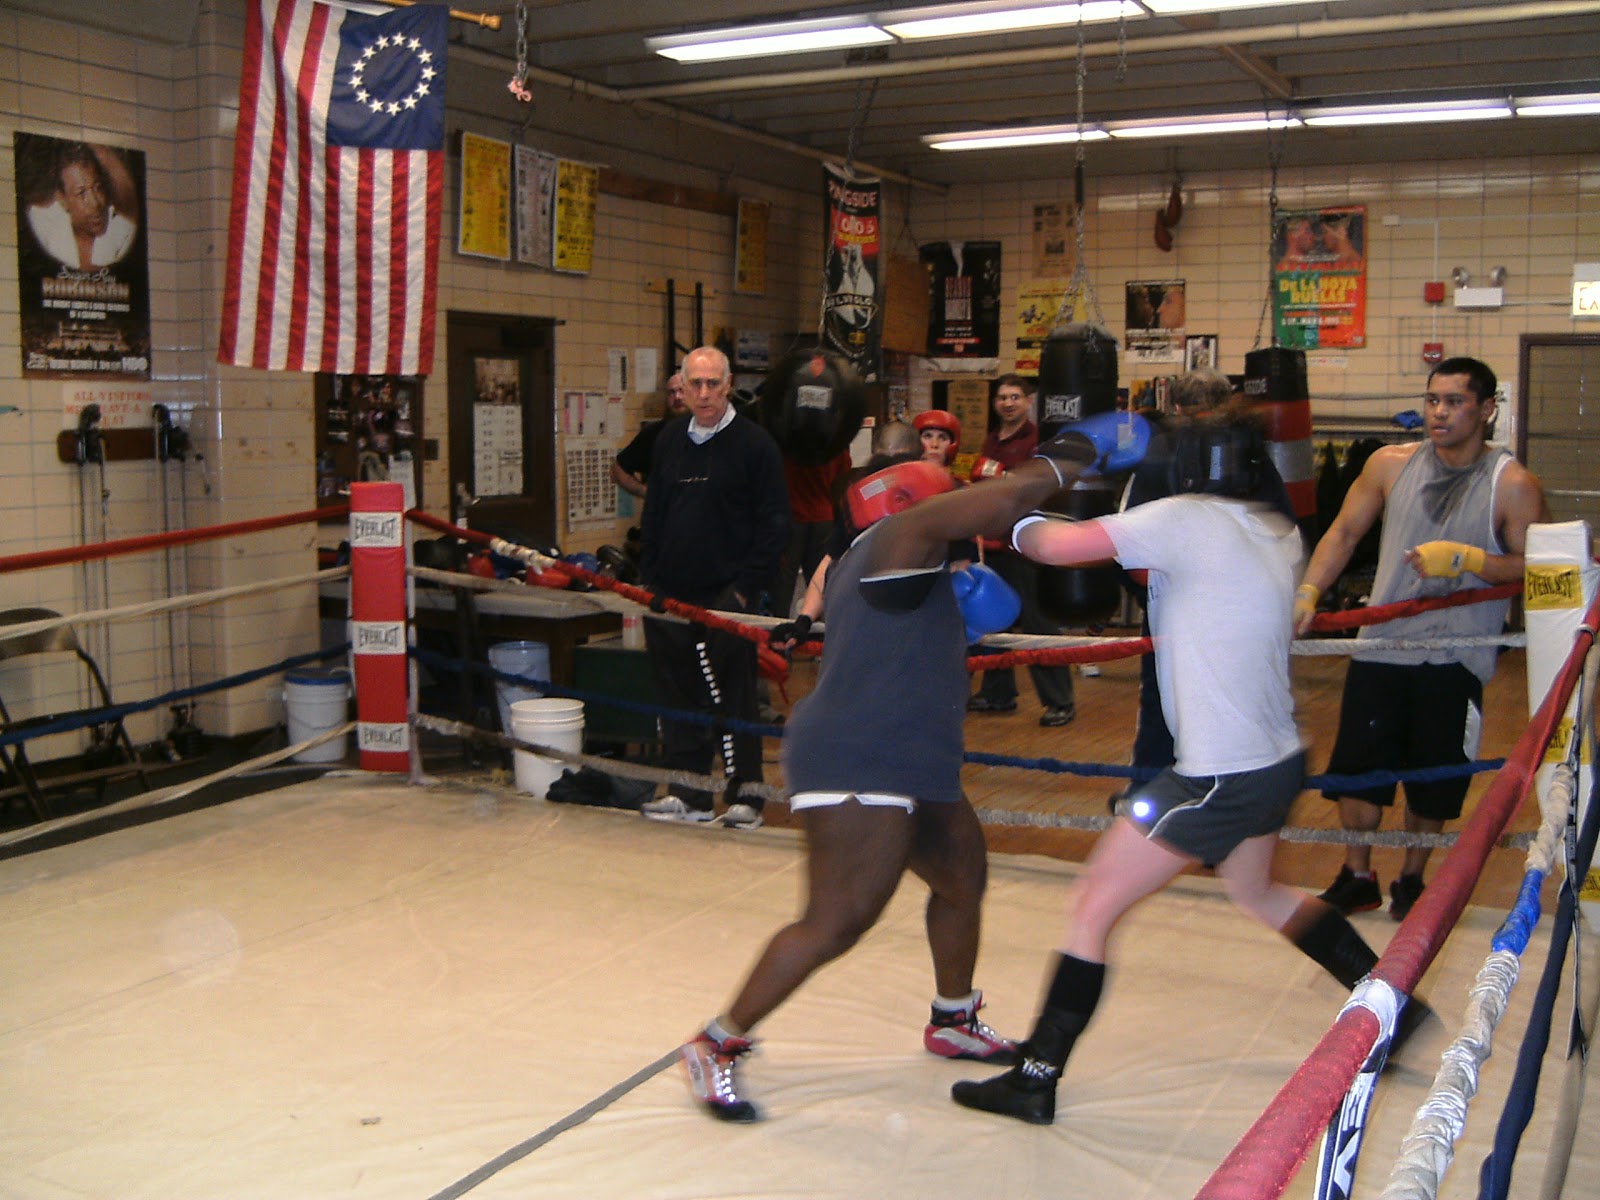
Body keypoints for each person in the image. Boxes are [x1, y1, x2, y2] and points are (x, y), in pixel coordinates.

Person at [950, 407, 1430, 1127]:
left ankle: (1035, 1078)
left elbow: (1050, 547)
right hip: (1274, 759)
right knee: (1261, 893)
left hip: (1216, 776)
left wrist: (1008, 494)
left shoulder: (1181, 519)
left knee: (1091, 907)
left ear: (1182, 466)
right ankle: (1392, 1007)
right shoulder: (1274, 530)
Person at [676, 428, 1104, 1124]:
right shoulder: (897, 541)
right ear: (905, 498)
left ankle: (953, 1018)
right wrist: (1079, 451)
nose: (952, 486)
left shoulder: (901, 562)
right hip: (858, 752)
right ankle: (716, 1043)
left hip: (914, 753)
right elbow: (1013, 497)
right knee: (838, 918)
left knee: (962, 878)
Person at [1296, 357, 1548, 920]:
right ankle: (1357, 874)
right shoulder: (1389, 464)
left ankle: (1413, 879)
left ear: (1486, 410)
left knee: (1435, 778)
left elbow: (1538, 566)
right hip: (1382, 646)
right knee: (1359, 772)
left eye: (1455, 401)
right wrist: (1309, 590)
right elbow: (1343, 531)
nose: (1439, 412)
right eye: (1433, 399)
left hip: (1456, 658)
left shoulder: (1512, 484)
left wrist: (1472, 560)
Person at [637, 347, 791, 829]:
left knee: (733, 697)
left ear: (728, 386)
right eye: (694, 384)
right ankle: (690, 794)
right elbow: (655, 513)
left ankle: (745, 795)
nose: (703, 394)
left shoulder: (756, 445)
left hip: (728, 597)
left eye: (712, 384)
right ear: (680, 388)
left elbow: (774, 525)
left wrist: (745, 590)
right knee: (678, 696)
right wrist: (649, 580)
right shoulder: (667, 440)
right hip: (671, 595)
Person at [967, 375, 1077, 727]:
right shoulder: (991, 440)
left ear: (1029, 401)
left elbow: (1035, 488)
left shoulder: (1036, 440)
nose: (1008, 403)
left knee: (1036, 622)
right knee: (996, 618)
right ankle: (999, 693)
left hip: (1023, 544)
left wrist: (1004, 481)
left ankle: (1060, 700)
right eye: (1002, 397)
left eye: (1015, 397)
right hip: (993, 541)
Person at [27, 142, 139, 270]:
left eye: (98, 188)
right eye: (81, 193)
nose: (95, 203)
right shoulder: (44, 230)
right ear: (62, 200)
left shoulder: (122, 230)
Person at [610, 373, 686, 500]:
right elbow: (618, 469)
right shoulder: (655, 434)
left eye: (682, 391)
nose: (677, 397)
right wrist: (645, 492)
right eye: (672, 392)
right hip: (663, 515)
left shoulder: (711, 432)